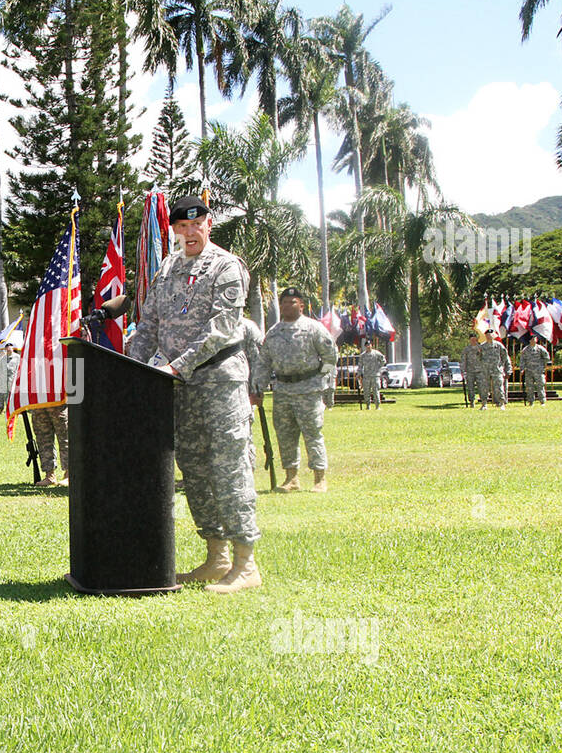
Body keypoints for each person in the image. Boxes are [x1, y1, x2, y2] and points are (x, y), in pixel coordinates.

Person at [130, 194, 262, 594]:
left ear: (209, 223)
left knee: (229, 466)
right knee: (195, 469)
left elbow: (222, 327)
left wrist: (177, 365)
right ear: (174, 230)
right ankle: (216, 557)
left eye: (196, 225)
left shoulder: (226, 266)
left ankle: (246, 564)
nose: (189, 233)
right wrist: (128, 367)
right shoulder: (168, 268)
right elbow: (148, 323)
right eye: (181, 228)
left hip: (219, 380)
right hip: (178, 386)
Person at [255, 287, 338, 493]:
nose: (286, 306)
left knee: (312, 434)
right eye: (283, 302)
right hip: (283, 390)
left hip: (308, 390)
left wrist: (323, 382)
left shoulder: (313, 328)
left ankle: (320, 478)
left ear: (301, 305)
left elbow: (330, 357)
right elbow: (264, 362)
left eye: (291, 302)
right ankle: (291, 478)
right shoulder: (273, 333)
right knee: (285, 436)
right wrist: (258, 386)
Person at [477, 328, 511, 410]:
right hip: (485, 371)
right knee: (484, 388)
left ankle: (501, 403)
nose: (489, 336)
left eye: (491, 335)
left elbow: (505, 358)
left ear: (493, 336)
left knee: (499, 387)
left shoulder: (498, 346)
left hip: (497, 370)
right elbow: (478, 358)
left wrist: (508, 369)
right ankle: (484, 404)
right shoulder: (482, 346)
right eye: (487, 335)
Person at [519, 335, 551, 406]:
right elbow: (522, 360)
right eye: (532, 339)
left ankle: (542, 401)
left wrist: (543, 365)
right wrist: (522, 369)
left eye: (535, 339)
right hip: (529, 371)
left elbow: (547, 357)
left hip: (538, 371)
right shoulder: (525, 350)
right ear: (529, 340)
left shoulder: (540, 349)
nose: (534, 340)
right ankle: (531, 402)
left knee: (540, 386)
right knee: (529, 387)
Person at [357, 338, 387, 409]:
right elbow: (360, 366)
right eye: (367, 345)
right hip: (366, 376)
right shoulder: (363, 355)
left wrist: (378, 367)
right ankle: (368, 405)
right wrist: (359, 373)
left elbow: (383, 360)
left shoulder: (376, 353)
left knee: (376, 391)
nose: (368, 346)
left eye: (369, 345)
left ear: (371, 345)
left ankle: (377, 406)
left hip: (375, 376)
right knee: (366, 392)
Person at [460, 333, 482, 407]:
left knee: (482, 387)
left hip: (480, 371)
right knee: (470, 387)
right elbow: (463, 360)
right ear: (469, 340)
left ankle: (483, 401)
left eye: (474, 339)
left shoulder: (481, 348)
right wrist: (462, 371)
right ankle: (472, 402)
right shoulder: (466, 349)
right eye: (471, 339)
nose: (473, 341)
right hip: (470, 371)